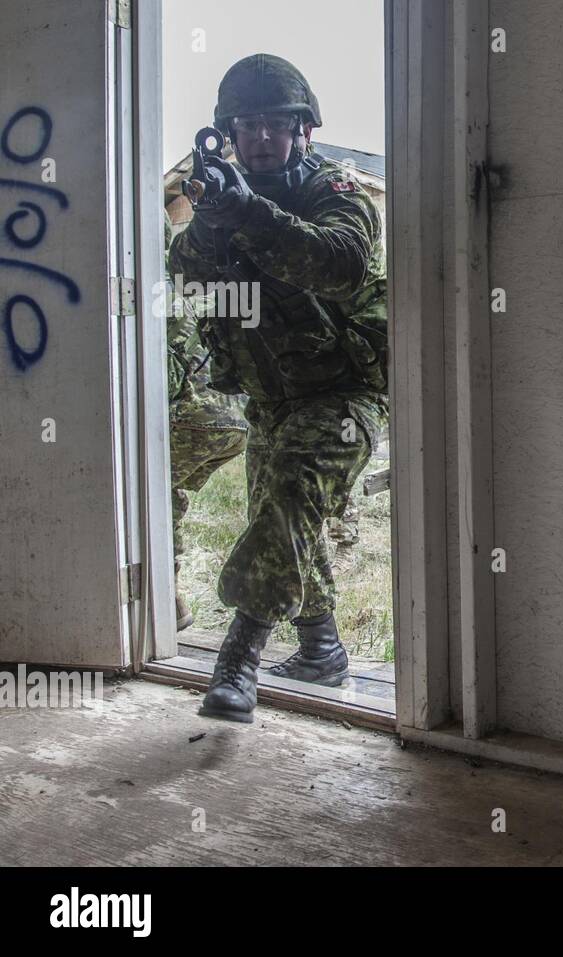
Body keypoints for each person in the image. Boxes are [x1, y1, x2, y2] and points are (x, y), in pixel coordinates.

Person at [168, 53, 388, 722]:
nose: (262, 137)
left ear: (304, 132)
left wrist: (250, 213)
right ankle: (322, 648)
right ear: (229, 135)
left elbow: (341, 262)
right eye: (248, 125)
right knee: (291, 525)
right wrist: (210, 223)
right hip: (269, 399)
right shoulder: (219, 202)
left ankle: (239, 656)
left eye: (276, 125)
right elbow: (188, 276)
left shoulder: (335, 191)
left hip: (343, 393)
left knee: (290, 502)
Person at [163, 216, 249, 631]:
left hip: (193, 416)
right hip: (232, 418)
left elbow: (164, 377)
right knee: (168, 494)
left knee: (151, 498)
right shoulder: (187, 283)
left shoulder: (149, 287)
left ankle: (163, 599)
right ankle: (172, 605)